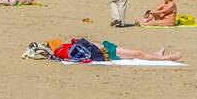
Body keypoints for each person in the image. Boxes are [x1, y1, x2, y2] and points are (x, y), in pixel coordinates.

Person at [46, 37, 181, 63]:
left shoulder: (71, 47)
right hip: (108, 52)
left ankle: (156, 55)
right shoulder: (72, 50)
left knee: (137, 53)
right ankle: (166, 58)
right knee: (137, 54)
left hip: (107, 48)